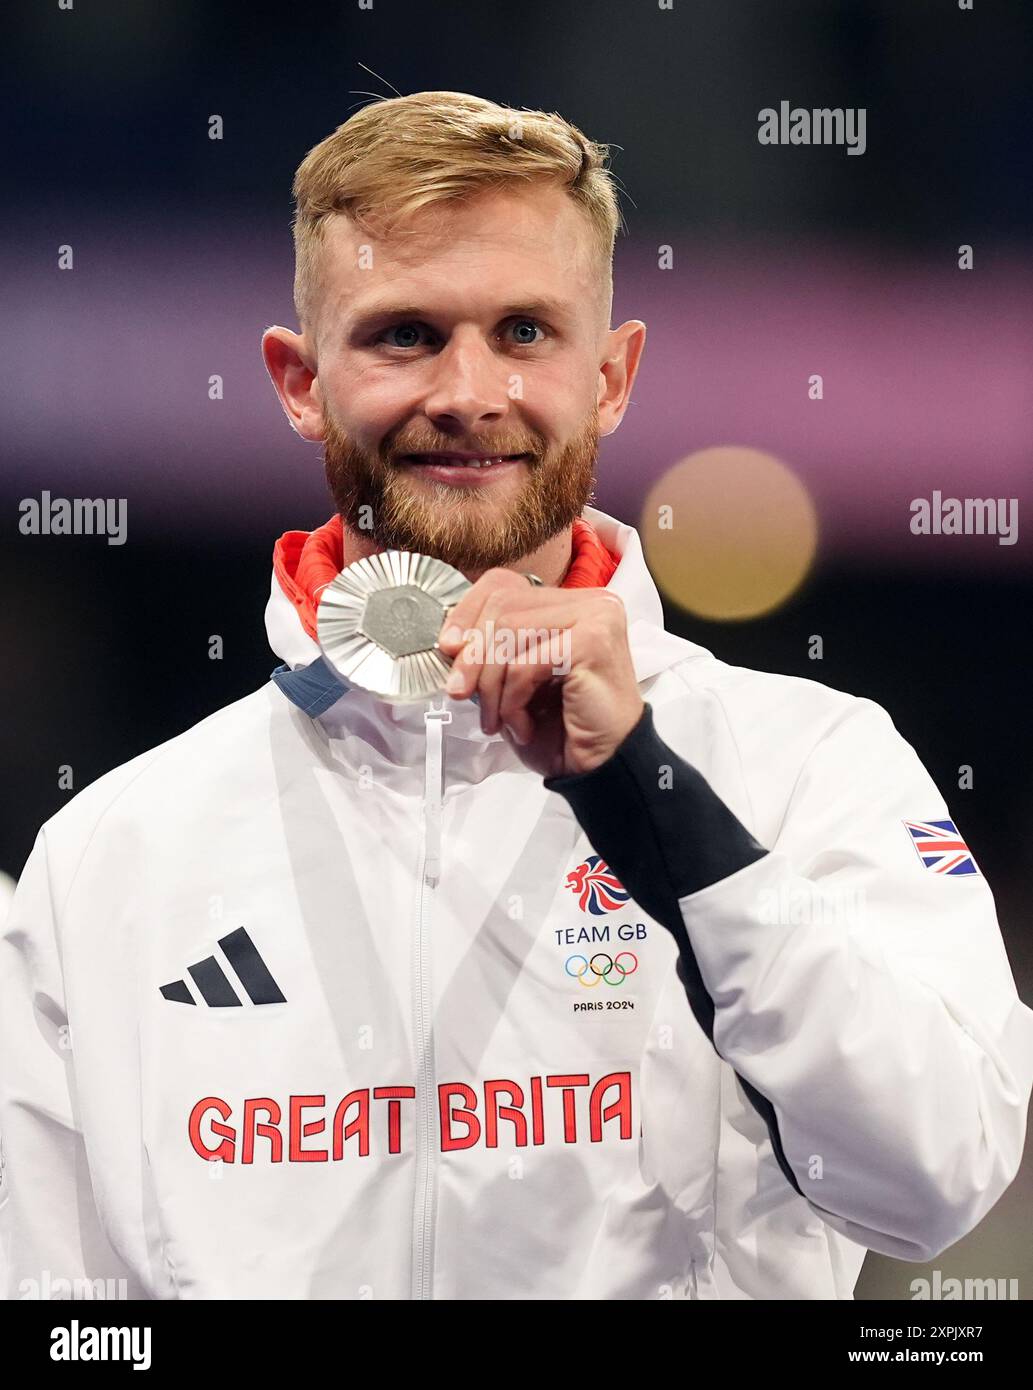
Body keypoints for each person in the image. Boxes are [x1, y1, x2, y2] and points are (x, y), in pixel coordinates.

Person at [2, 91, 1031, 1302]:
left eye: (527, 332)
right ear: (297, 381)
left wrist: (653, 794)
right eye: (403, 334)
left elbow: (935, 1179)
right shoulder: (113, 852)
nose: (469, 392)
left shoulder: (806, 763)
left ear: (611, 375)